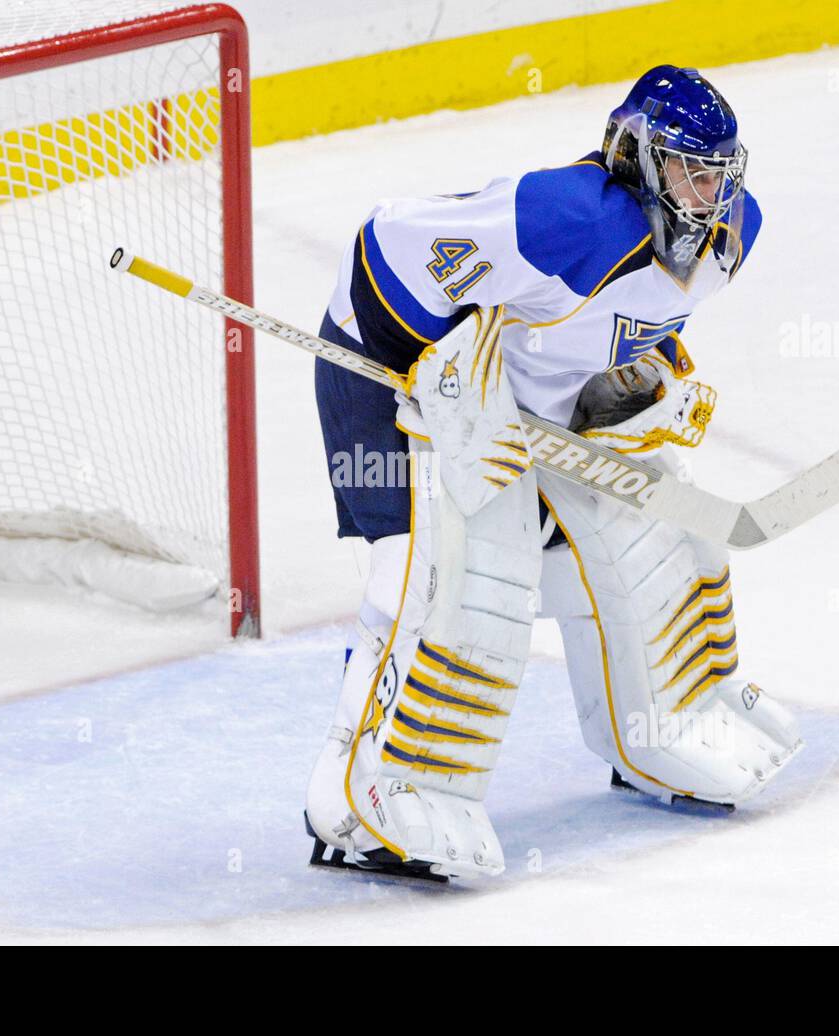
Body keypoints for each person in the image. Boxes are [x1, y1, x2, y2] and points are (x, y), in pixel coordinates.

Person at [305, 65, 803, 882]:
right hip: (386, 367)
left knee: (660, 537)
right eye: (687, 167)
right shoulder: (563, 218)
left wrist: (638, 379)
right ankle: (360, 797)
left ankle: (662, 733)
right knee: (438, 579)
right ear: (637, 156)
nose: (708, 190)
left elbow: (615, 325)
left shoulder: (732, 234)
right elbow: (383, 246)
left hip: (528, 403)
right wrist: (446, 386)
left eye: (719, 170)